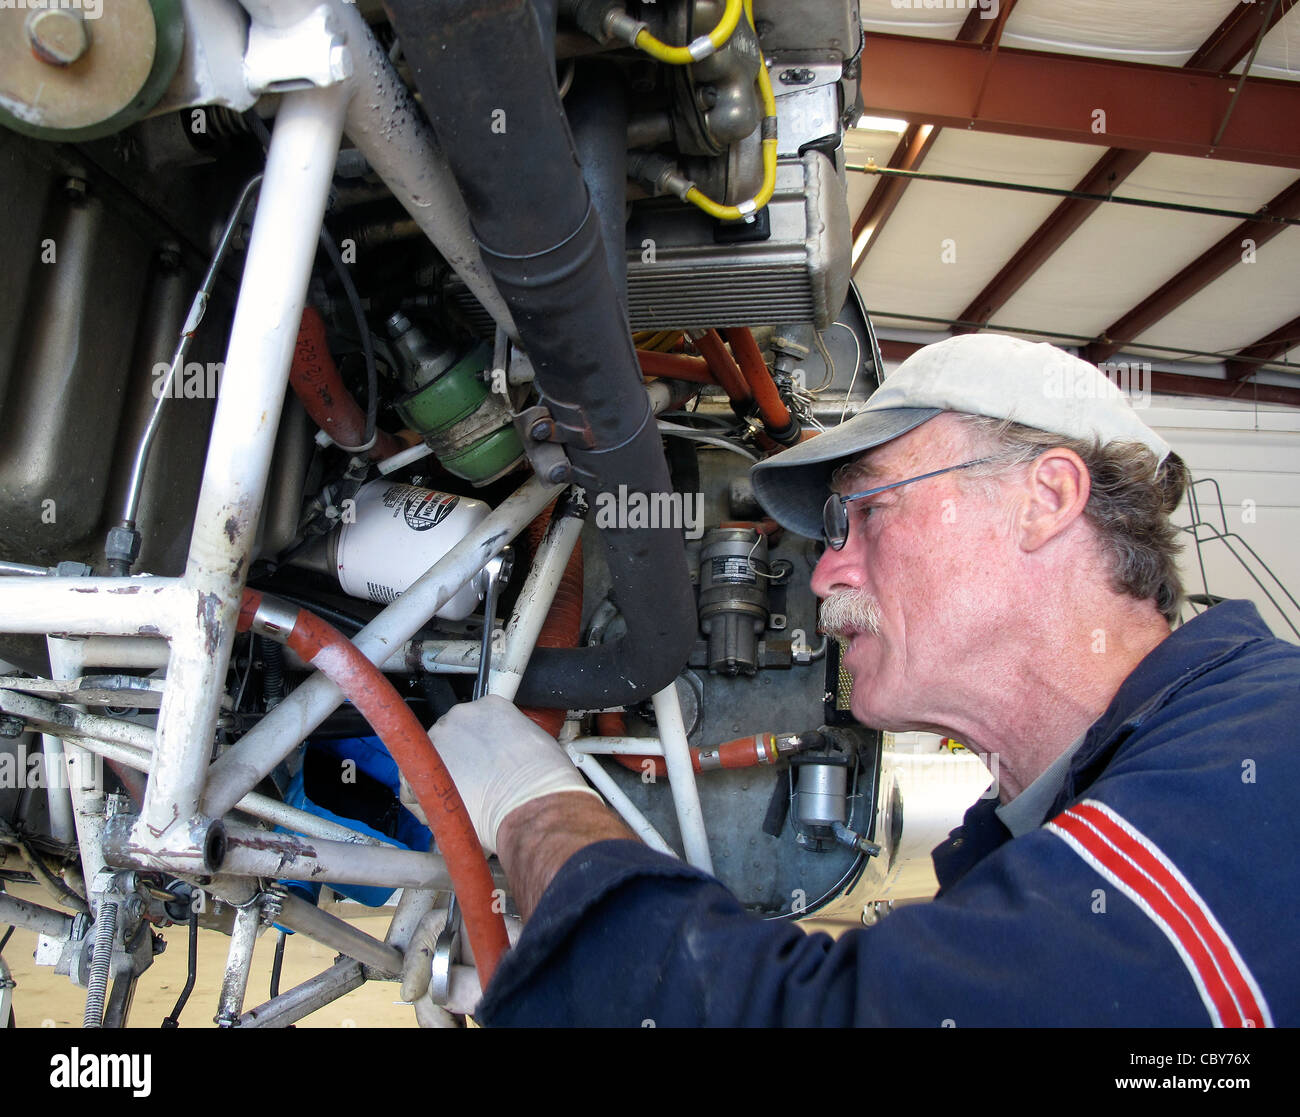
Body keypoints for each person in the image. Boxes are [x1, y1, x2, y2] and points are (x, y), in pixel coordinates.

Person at [412, 333, 1299, 1026]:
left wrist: (535, 807)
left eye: (866, 511)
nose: (827, 572)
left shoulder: (1267, 752)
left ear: (1047, 498)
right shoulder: (1065, 828)